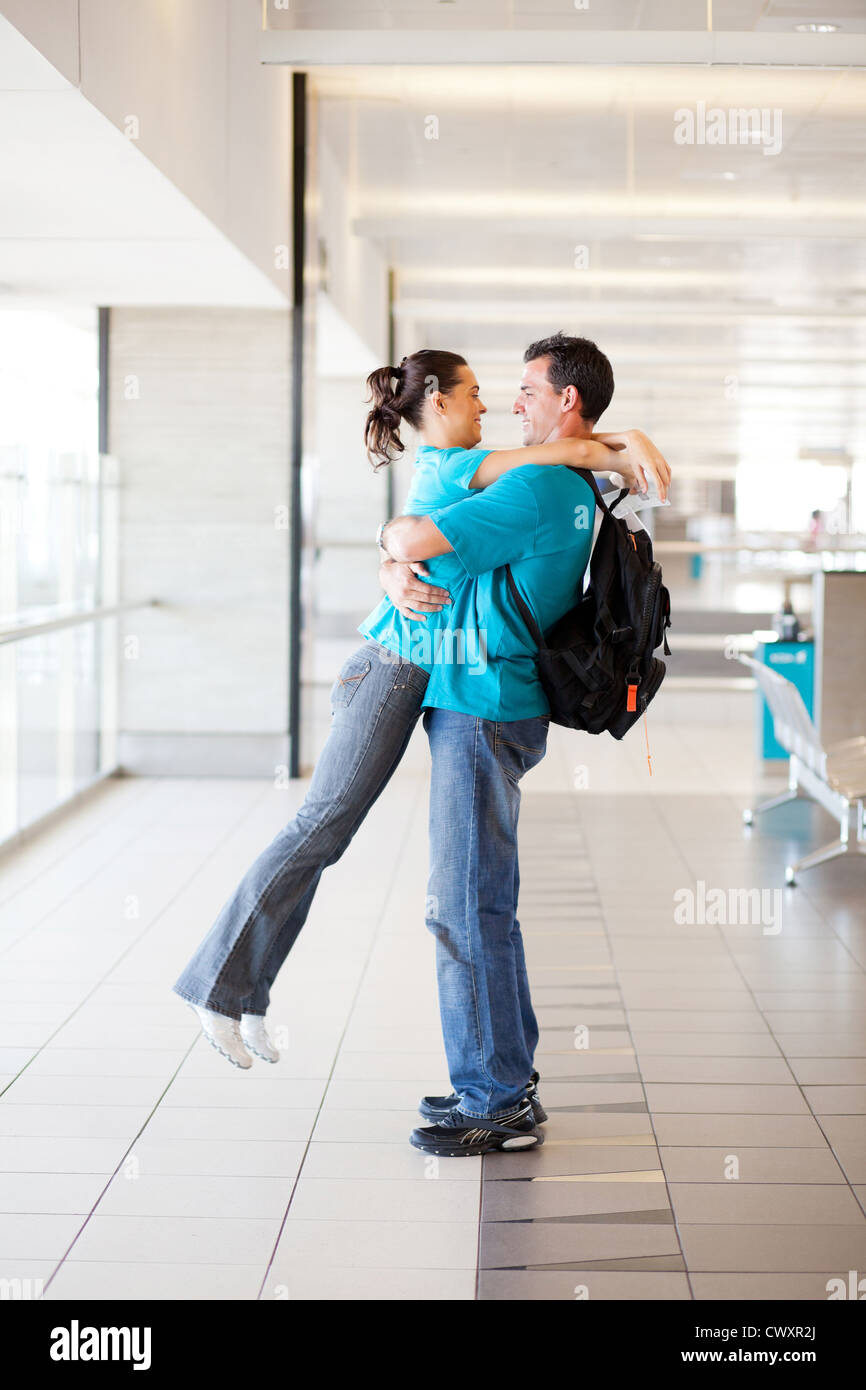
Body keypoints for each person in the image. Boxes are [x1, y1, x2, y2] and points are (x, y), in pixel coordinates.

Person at [172, 344, 669, 1148]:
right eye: (488, 392)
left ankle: (495, 1097)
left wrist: (391, 557)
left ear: (567, 398)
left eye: (523, 390)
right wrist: (613, 445)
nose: (506, 403)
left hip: (472, 695)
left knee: (465, 903)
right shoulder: (553, 475)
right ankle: (488, 1078)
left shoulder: (534, 480)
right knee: (432, 880)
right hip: (439, 678)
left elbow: (413, 536)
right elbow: (417, 533)